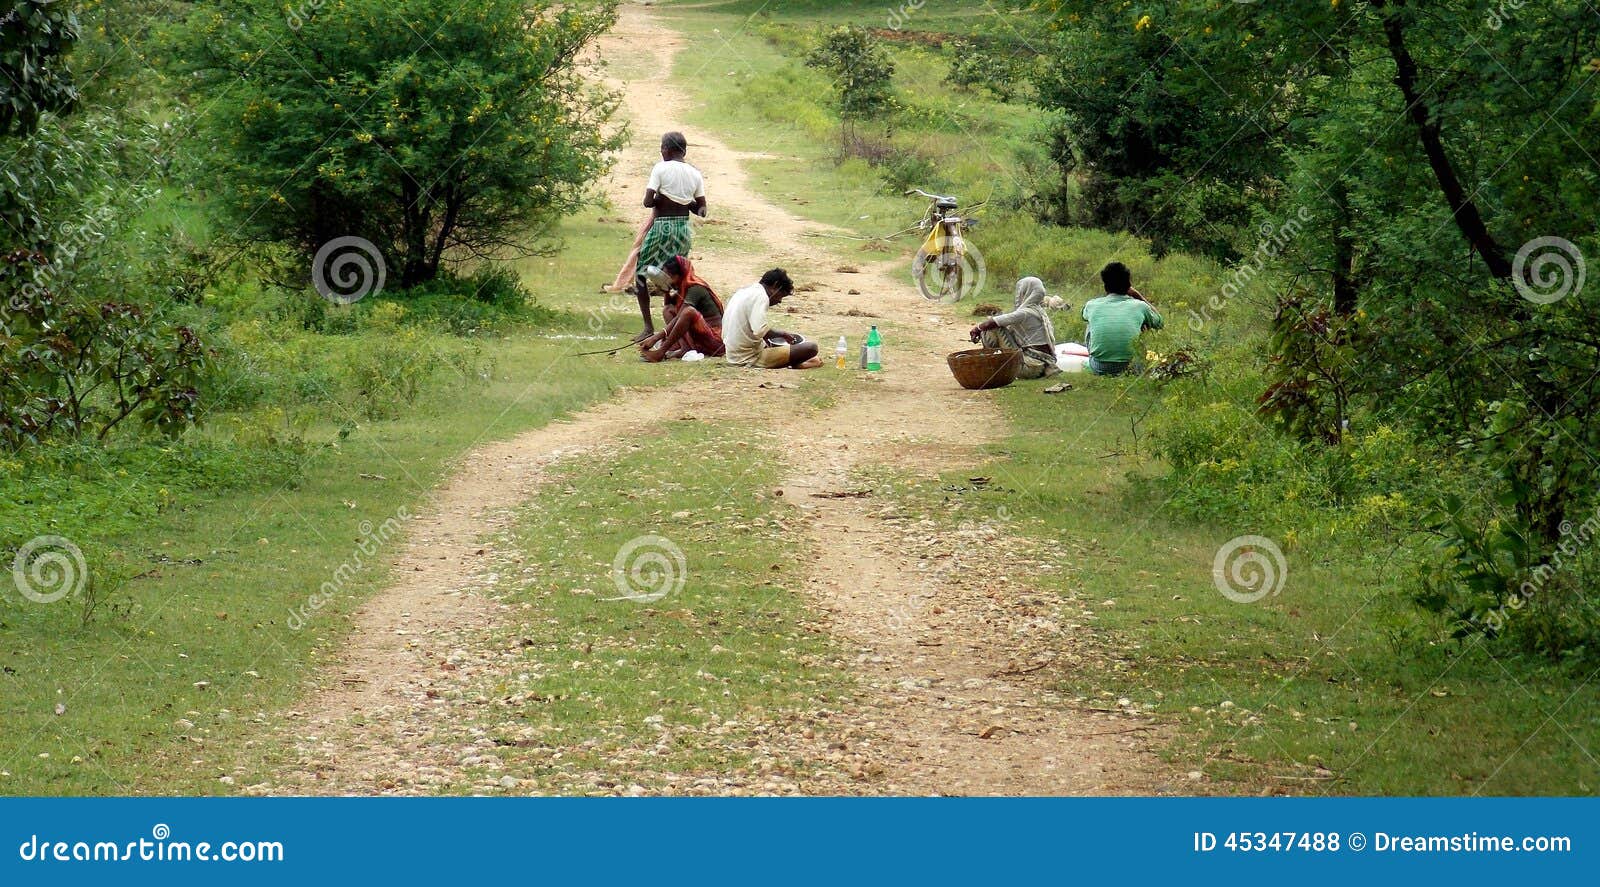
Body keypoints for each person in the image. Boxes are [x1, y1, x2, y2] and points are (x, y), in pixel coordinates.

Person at [632, 132, 707, 339]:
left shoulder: (660, 168)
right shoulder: (694, 174)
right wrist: (683, 201)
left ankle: (648, 327)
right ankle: (676, 326)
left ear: (667, 149)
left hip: (662, 227)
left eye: (662, 147)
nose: (661, 151)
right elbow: (702, 210)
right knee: (677, 277)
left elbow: (647, 201)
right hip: (683, 229)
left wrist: (663, 199)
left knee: (640, 273)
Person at [722, 269, 822, 369]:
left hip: (732, 355)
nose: (779, 301)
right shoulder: (761, 296)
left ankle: (793, 361)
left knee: (790, 349)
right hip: (749, 358)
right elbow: (760, 330)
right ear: (775, 286)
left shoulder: (744, 292)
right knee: (811, 348)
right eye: (781, 296)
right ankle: (799, 364)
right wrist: (782, 334)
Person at [968, 277, 1062, 379]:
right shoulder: (1039, 311)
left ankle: (993, 363)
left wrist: (977, 329)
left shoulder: (1025, 312)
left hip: (1028, 368)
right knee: (996, 326)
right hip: (1043, 366)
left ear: (1025, 292)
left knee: (991, 328)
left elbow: (994, 322)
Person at [1081, 262, 1163, 376]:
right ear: (1128, 284)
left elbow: (1083, 316)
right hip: (1133, 367)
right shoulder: (1140, 306)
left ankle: (1101, 356)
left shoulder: (1091, 305)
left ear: (1105, 285)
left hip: (1100, 367)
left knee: (1090, 322)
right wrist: (1138, 296)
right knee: (1144, 321)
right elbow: (1160, 322)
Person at [638, 256, 725, 361]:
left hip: (715, 339)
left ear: (678, 275)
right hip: (700, 335)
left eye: (668, 276)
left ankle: (661, 352)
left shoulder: (695, 288)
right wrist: (666, 290)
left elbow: (682, 315)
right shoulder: (680, 286)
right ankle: (684, 347)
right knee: (668, 310)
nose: (666, 278)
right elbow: (673, 310)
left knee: (688, 312)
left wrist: (657, 337)